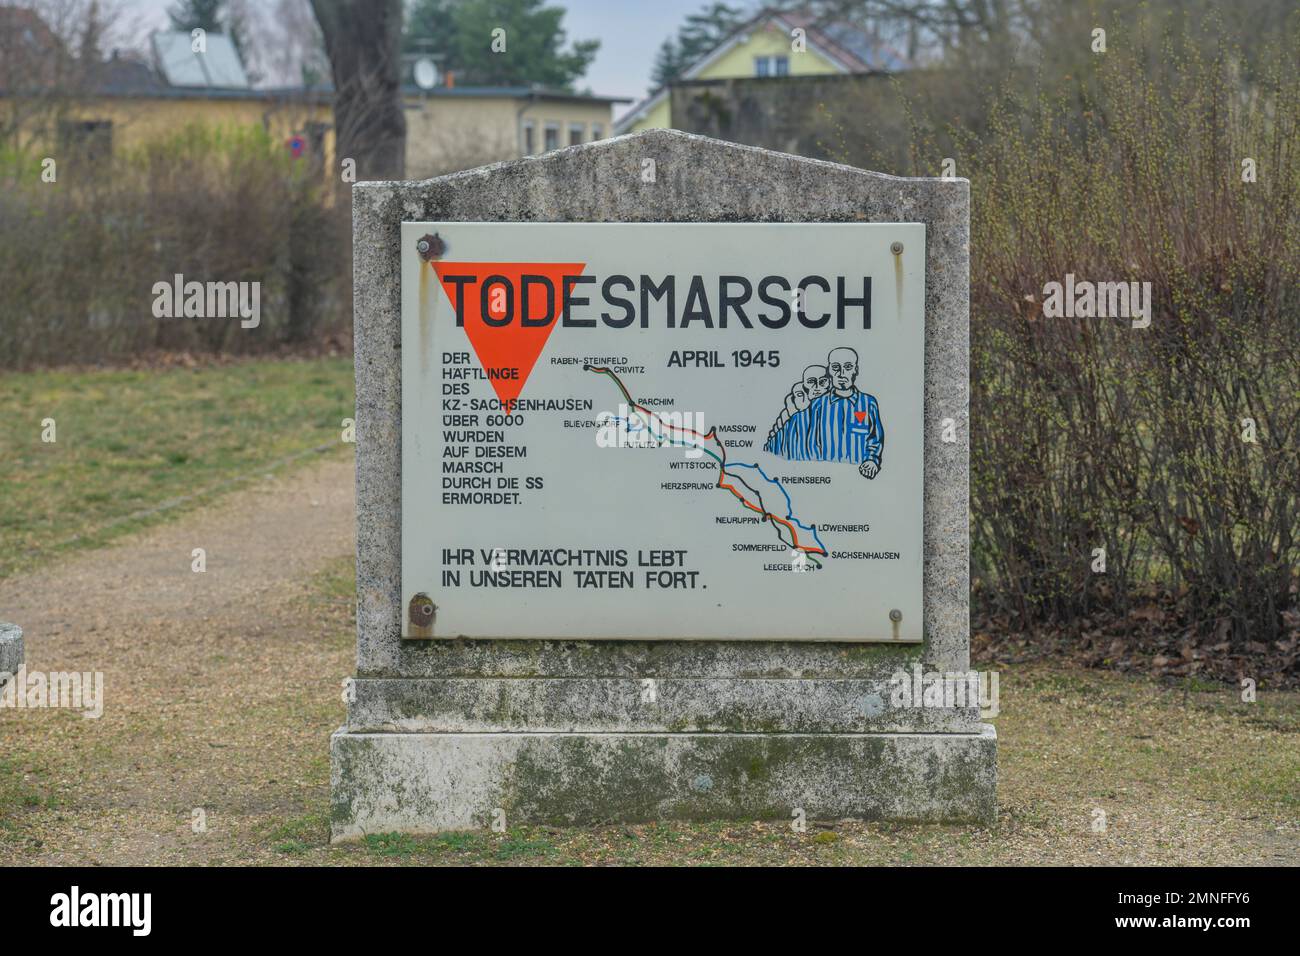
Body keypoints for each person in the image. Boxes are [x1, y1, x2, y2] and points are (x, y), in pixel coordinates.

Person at [805, 347, 883, 478]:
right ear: (829, 371)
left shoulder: (868, 403)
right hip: (826, 478)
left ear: (855, 370)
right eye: (836, 367)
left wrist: (872, 461)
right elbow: (812, 443)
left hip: (860, 477)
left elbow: (875, 438)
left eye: (847, 367)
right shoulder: (818, 404)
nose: (841, 373)